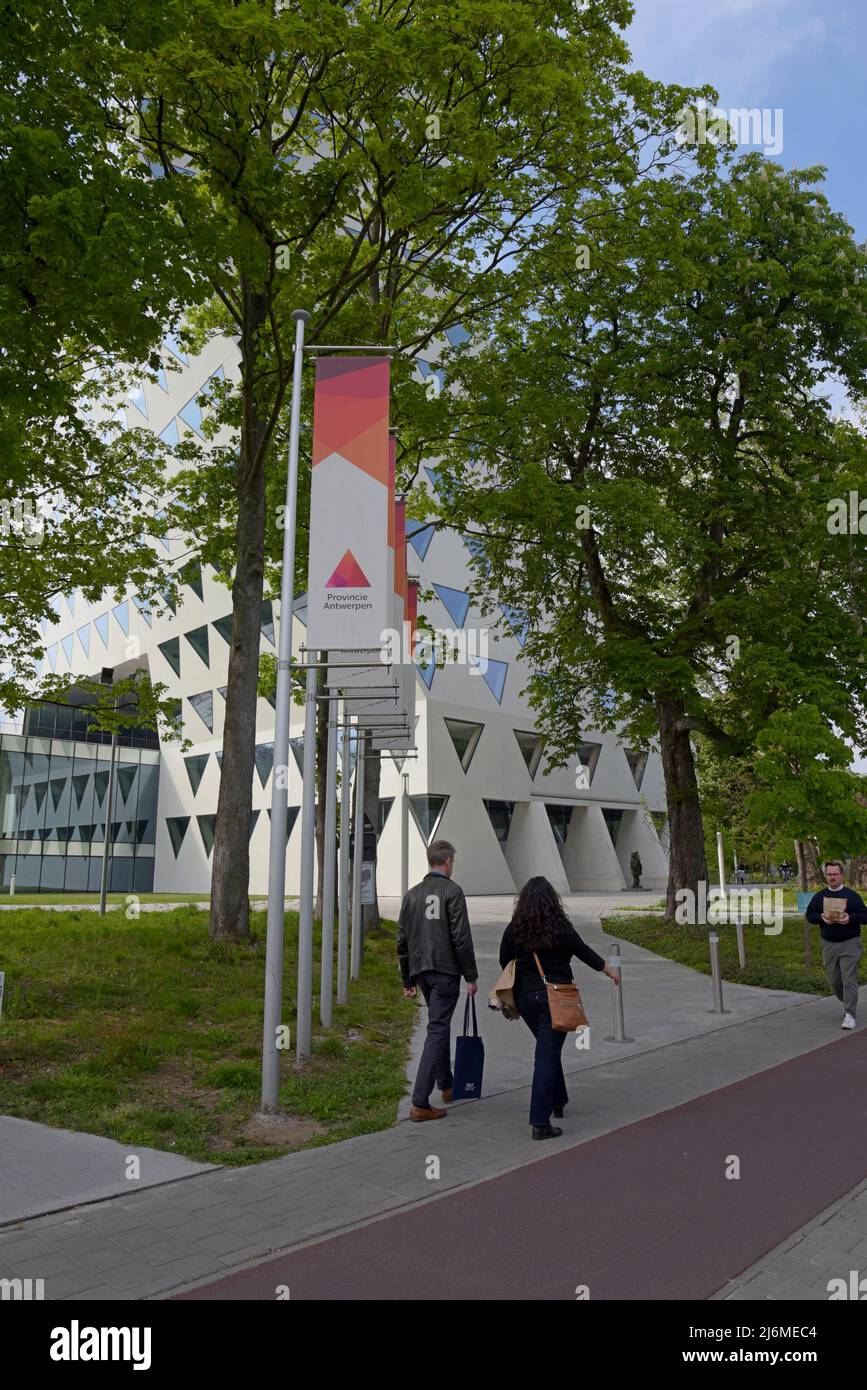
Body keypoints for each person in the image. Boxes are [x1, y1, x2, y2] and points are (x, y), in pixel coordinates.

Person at [498, 876, 620, 1141]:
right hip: (558, 997)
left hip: (526, 999)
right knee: (546, 1055)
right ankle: (540, 1123)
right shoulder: (560, 927)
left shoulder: (515, 928)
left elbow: (503, 960)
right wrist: (607, 969)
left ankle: (558, 1100)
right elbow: (582, 950)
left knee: (547, 1050)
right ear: (552, 900)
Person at [398, 839, 478, 1121]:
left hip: (422, 971)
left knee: (438, 1024)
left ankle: (446, 1084)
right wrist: (471, 975)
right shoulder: (453, 892)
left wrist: (407, 979)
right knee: (437, 1029)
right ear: (447, 862)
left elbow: (402, 940)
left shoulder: (411, 895)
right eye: (453, 861)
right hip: (445, 970)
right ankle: (420, 1101)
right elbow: (460, 937)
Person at [805, 859, 867, 1029]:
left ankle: (849, 1014)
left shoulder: (852, 896)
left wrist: (851, 918)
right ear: (825, 875)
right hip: (829, 944)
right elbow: (810, 915)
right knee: (834, 981)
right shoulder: (820, 897)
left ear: (841, 875)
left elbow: (865, 916)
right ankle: (847, 1002)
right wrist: (821, 918)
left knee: (849, 980)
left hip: (850, 943)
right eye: (829, 874)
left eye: (835, 874)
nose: (832, 877)